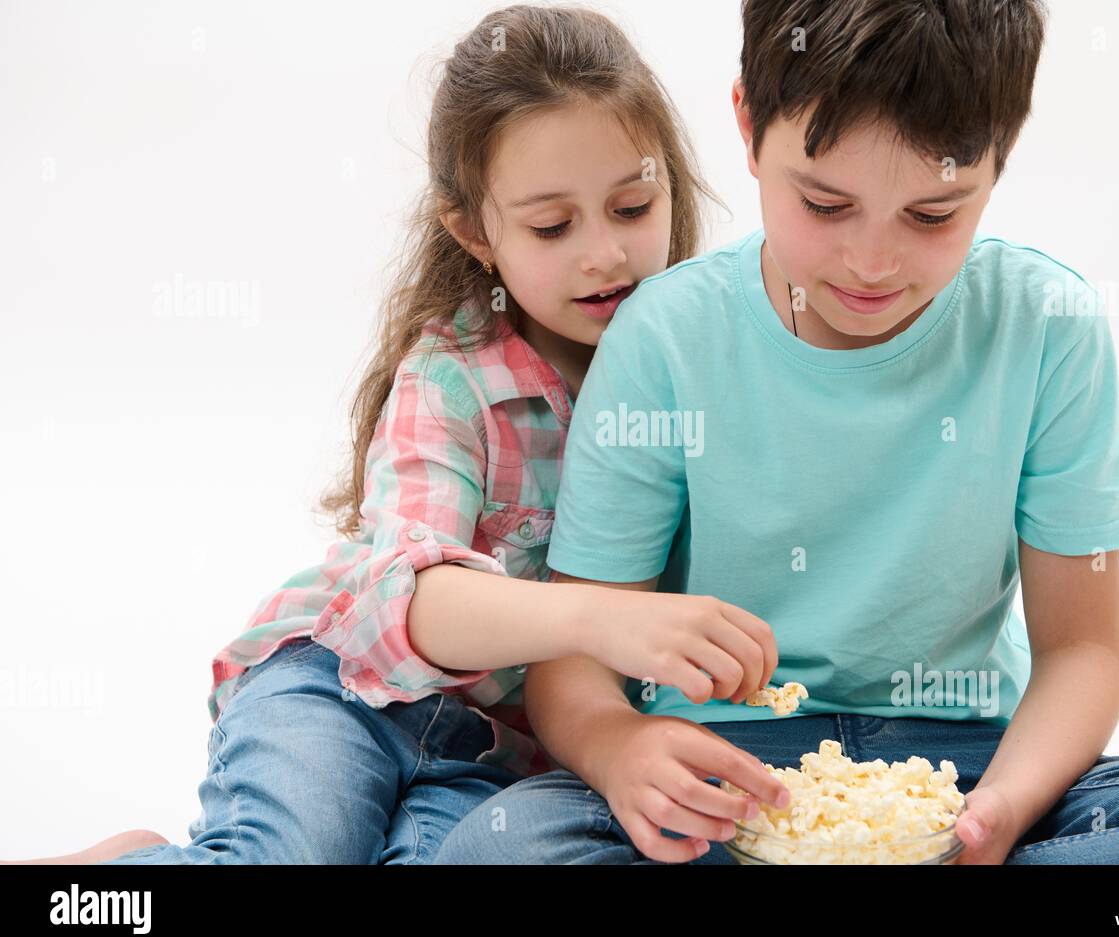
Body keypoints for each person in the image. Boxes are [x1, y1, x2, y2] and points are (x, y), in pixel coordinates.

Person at [432, 0, 1119, 865]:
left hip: (968, 764)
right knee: (498, 851)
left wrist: (1001, 812)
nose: (873, 263)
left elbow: (1081, 650)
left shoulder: (1046, 324)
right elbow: (575, 662)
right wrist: (623, 750)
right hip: (725, 775)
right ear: (748, 124)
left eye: (933, 215)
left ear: (1002, 158)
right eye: (825, 203)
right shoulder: (664, 336)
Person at [7, 3, 776, 866]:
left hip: (493, 754)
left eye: (633, 206)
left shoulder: (688, 368)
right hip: (340, 692)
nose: (605, 253)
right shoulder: (453, 376)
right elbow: (413, 594)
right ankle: (119, 874)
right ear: (475, 234)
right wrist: (602, 621)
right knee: (290, 856)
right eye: (552, 227)